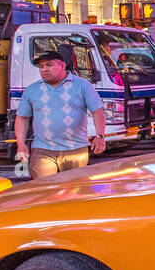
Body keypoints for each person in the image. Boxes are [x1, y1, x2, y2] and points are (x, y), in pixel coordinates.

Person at [14, 50, 105, 179]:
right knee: (44, 191)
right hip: (42, 149)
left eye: (49, 65)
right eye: (41, 66)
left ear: (62, 65)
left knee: (74, 190)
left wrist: (100, 136)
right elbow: (22, 118)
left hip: (76, 149)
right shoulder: (32, 90)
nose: (44, 69)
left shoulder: (82, 85)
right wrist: (21, 144)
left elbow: (97, 111)